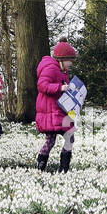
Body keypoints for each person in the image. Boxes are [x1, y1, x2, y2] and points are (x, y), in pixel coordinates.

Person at [35, 41, 79, 172]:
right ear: (62, 59)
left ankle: (64, 169)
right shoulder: (51, 68)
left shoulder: (63, 71)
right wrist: (60, 88)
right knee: (51, 141)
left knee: (69, 138)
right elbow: (42, 85)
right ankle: (40, 167)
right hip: (50, 111)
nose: (71, 63)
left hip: (60, 111)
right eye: (70, 60)